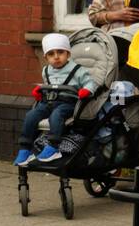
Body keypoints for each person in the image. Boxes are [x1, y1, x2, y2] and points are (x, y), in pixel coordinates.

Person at [14, 32, 95, 167]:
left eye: (60, 52)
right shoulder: (46, 71)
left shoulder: (77, 70)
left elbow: (91, 83)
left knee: (56, 116)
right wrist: (40, 91)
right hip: (48, 102)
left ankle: (53, 147)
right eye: (51, 54)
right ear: (46, 57)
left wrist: (86, 90)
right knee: (31, 115)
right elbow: (48, 86)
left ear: (68, 54)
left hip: (68, 103)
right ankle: (25, 148)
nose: (56, 57)